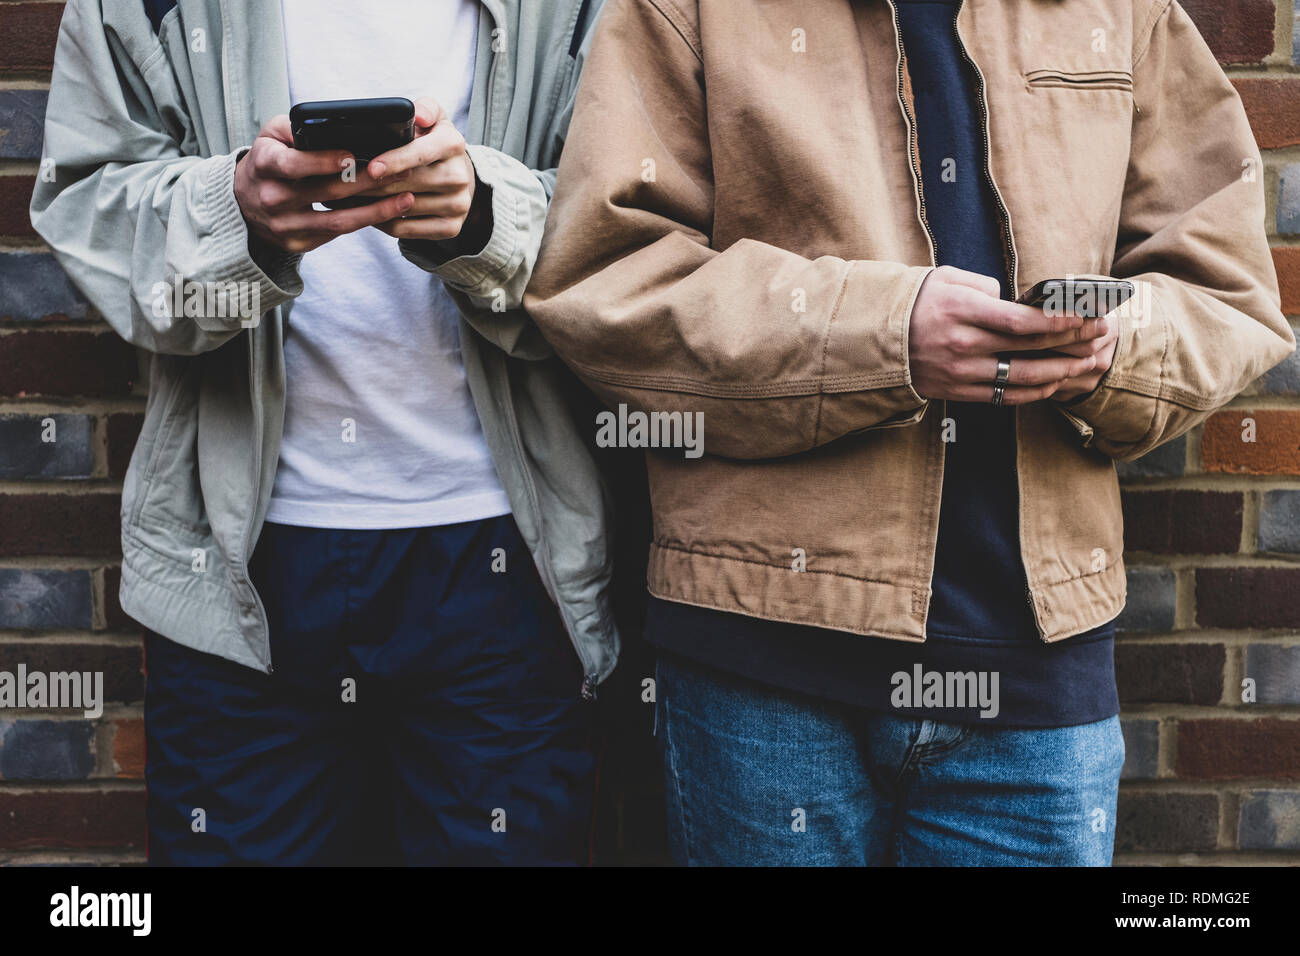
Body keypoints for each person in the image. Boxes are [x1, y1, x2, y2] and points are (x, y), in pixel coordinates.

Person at [526, 0, 1295, 865]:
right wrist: (882, 335)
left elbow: (1225, 291)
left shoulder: (1121, 8)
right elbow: (600, 279)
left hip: (1036, 683)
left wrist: (1115, 347)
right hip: (765, 662)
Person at [31, 0, 615, 865]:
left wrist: (486, 218)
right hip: (235, 569)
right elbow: (87, 201)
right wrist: (232, 209)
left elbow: (638, 221)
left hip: (509, 554)